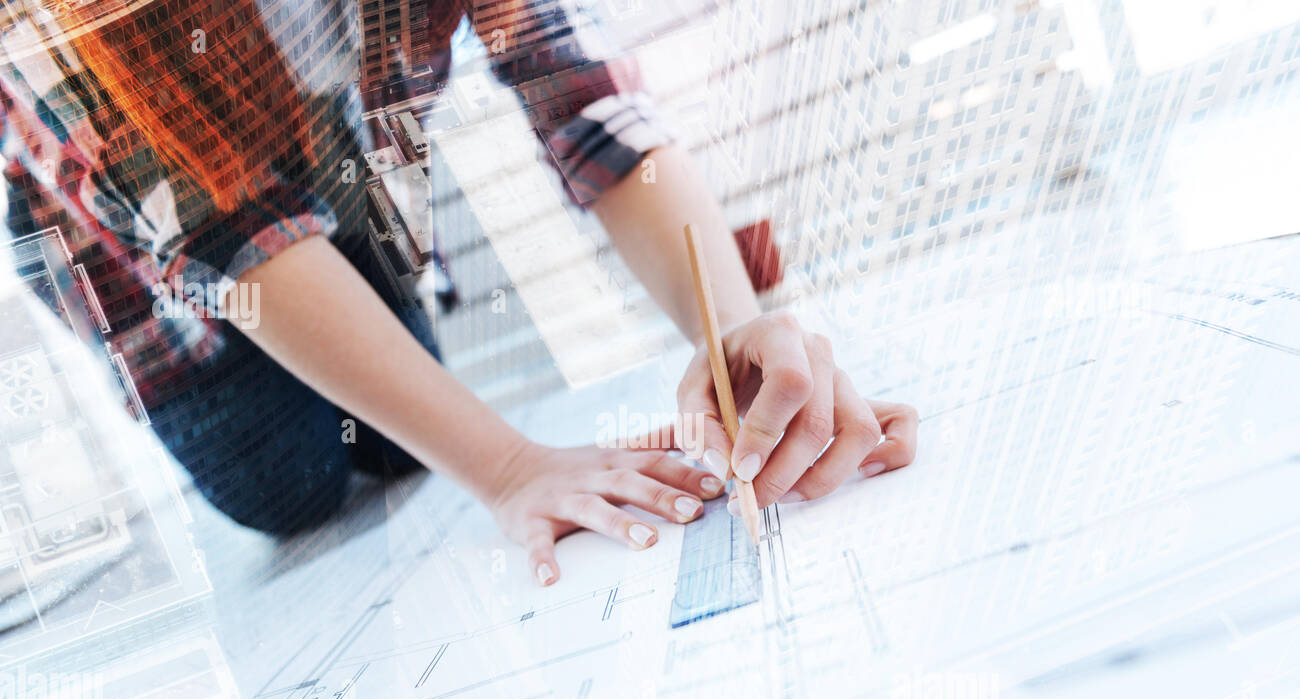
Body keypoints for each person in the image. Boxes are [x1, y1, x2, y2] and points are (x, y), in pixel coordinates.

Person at [0, 0, 917, 586]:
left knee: (401, 451)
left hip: (336, 178)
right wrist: (513, 470)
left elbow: (584, 95)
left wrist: (736, 333)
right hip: (162, 292)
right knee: (298, 486)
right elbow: (228, 238)